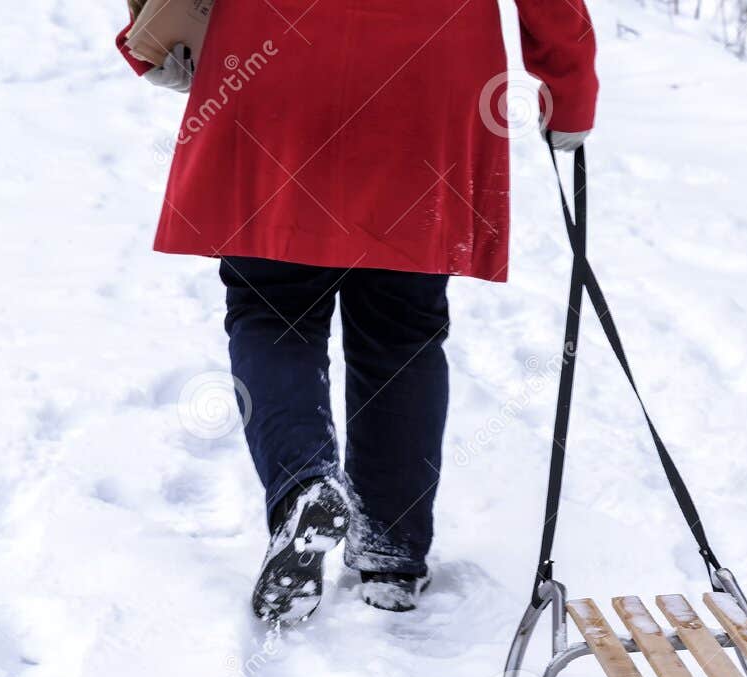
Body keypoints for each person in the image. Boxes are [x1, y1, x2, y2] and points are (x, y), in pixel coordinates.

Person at [116, 1, 597, 622]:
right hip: (430, 78)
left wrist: (154, 36)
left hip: (273, 62)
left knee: (271, 306)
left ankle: (303, 487)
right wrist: (570, 89)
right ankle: (391, 552)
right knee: (402, 326)